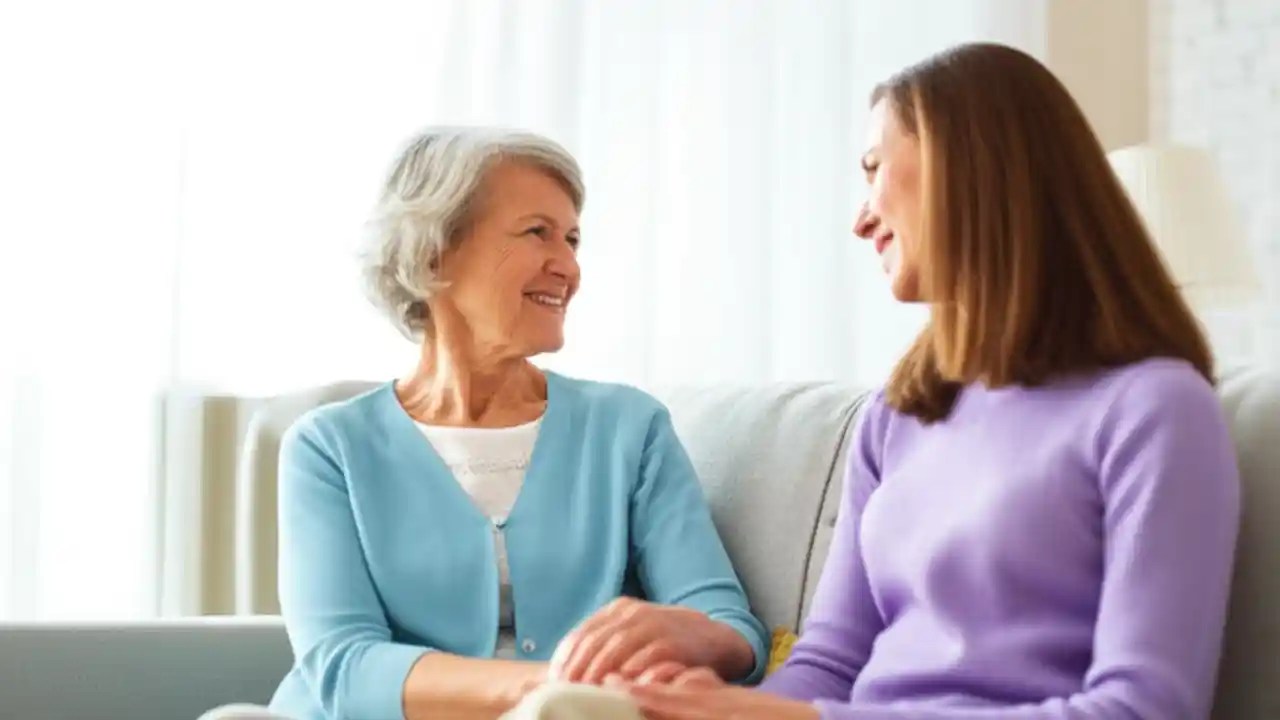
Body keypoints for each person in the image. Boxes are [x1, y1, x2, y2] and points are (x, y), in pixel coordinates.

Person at [619, 42, 1242, 719]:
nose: (861, 220)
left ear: (966, 163)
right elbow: (830, 662)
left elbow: (1143, 709)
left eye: (874, 168)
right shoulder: (900, 413)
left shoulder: (1154, 408)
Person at [220, 128, 767, 720]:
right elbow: (342, 668)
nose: (569, 268)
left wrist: (692, 636)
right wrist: (549, 689)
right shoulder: (330, 447)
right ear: (435, 252)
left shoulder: (628, 429)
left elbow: (732, 629)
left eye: (574, 240)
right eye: (539, 233)